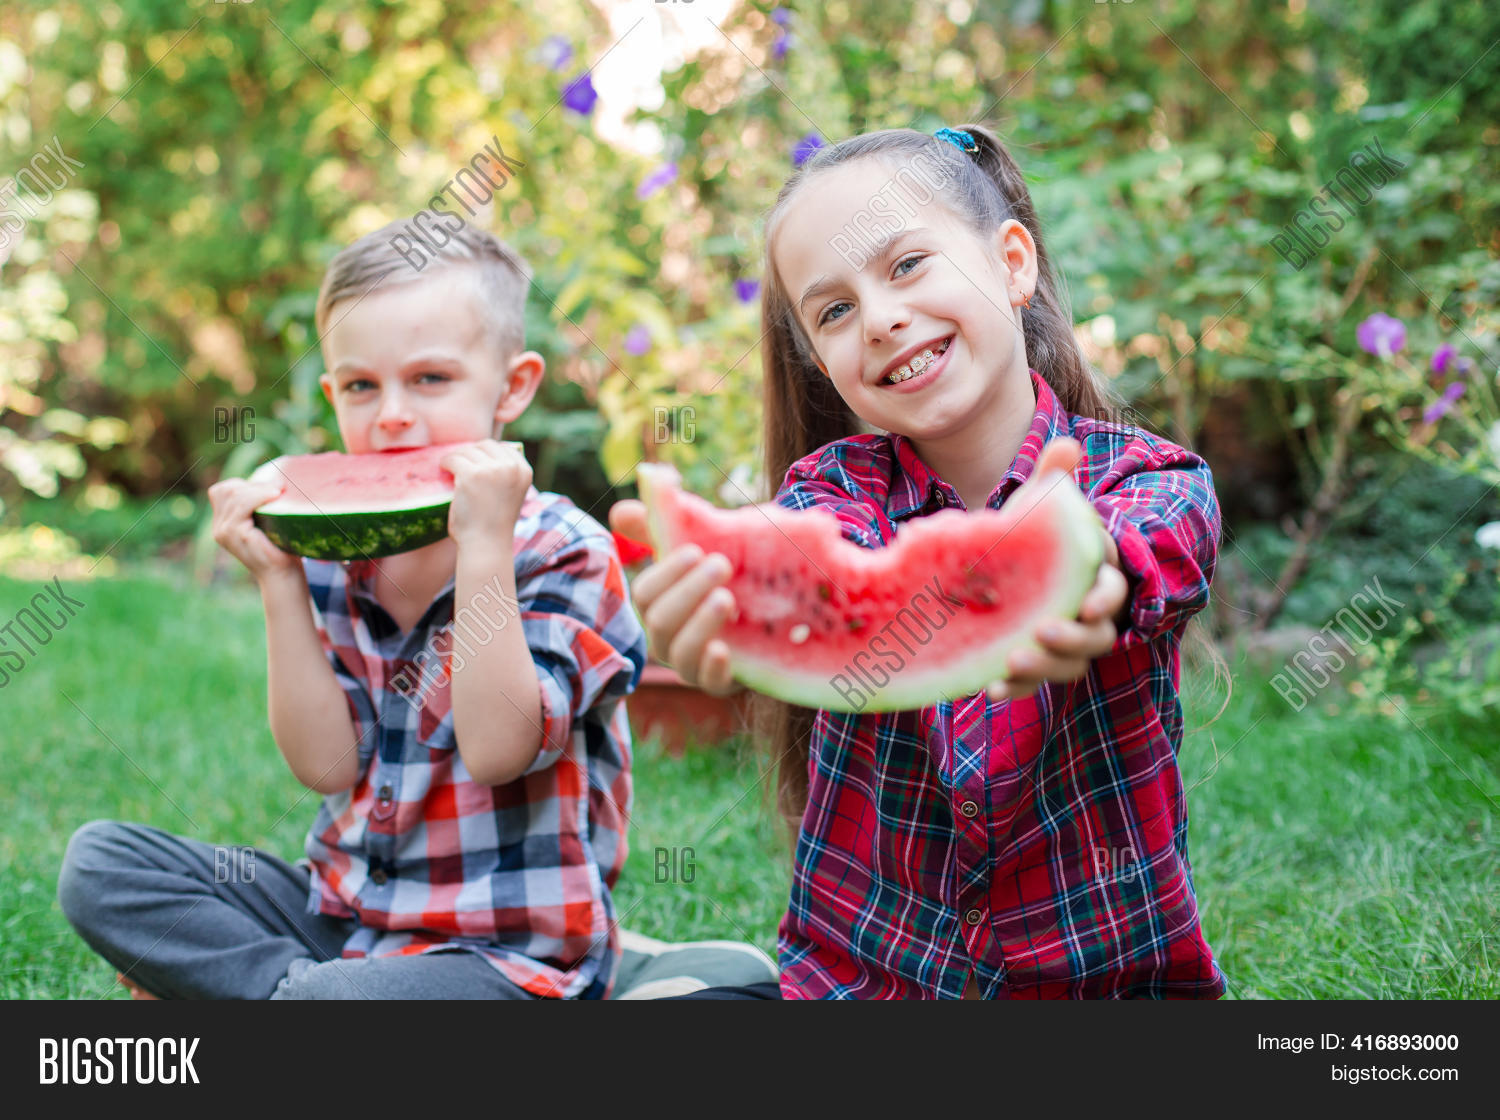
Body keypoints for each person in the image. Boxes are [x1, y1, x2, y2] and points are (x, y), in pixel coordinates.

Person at [612, 124, 1227, 999]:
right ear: (821, 361)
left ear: (1013, 264)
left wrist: (1087, 574)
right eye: (834, 310)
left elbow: (1150, 545)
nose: (883, 317)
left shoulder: (1150, 478)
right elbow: (812, 570)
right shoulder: (828, 495)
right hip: (862, 987)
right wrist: (719, 605)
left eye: (906, 266)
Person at [58, 218, 650, 999]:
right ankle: (293, 1000)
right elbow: (325, 767)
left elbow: (499, 747)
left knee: (329, 1000)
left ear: (513, 386)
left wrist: (481, 550)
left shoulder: (566, 553)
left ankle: (278, 1002)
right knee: (101, 864)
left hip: (507, 958)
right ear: (333, 393)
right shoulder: (331, 547)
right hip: (345, 919)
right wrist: (279, 578)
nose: (393, 415)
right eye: (362, 386)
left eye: (431, 379)